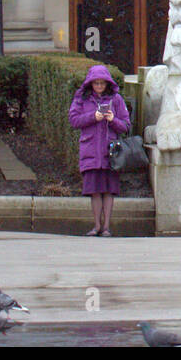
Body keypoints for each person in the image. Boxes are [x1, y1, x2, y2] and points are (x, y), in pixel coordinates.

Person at [68, 64, 131, 237]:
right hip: (90, 151)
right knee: (94, 190)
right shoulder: (81, 98)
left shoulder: (116, 99)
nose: (99, 87)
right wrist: (92, 117)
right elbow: (73, 120)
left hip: (110, 153)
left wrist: (113, 120)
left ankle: (106, 227)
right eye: (96, 83)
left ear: (107, 83)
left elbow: (126, 125)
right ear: (90, 84)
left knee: (109, 190)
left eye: (102, 83)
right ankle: (96, 226)